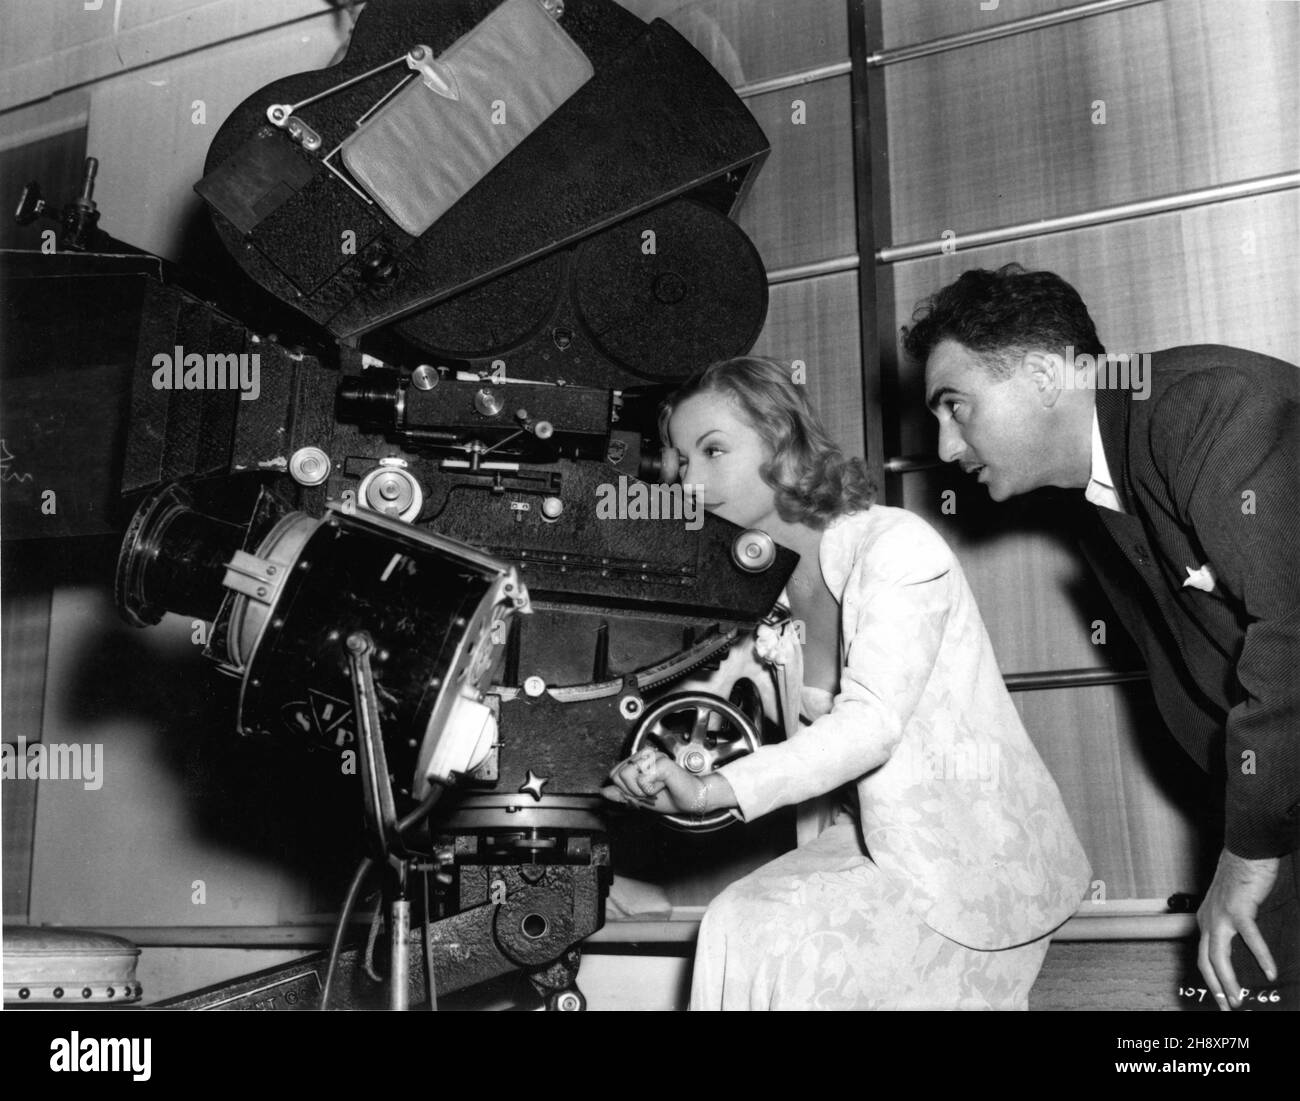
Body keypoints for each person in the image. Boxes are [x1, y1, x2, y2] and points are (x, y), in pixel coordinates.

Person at [603, 356, 1091, 1009]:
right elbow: (725, 730)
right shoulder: (766, 599)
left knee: (792, 960)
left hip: (974, 869)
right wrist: (664, 774)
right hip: (862, 849)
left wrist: (716, 787)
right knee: (733, 927)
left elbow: (871, 725)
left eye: (713, 450)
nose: (689, 482)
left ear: (782, 441)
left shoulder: (895, 547)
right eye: (680, 460)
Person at [905, 263, 1300, 1011]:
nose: (947, 447)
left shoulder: (1206, 409)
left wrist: (1246, 857)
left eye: (956, 407)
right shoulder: (1099, 496)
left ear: (1047, 373)